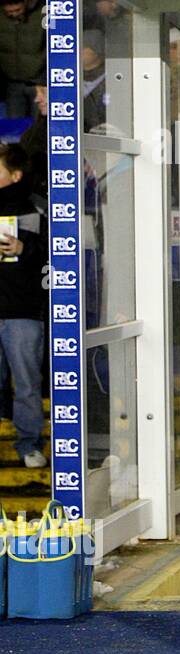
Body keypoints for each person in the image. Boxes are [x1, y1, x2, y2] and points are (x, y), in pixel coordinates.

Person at [0, 144, 47, 468]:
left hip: (23, 313)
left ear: (15, 175)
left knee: (27, 382)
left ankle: (29, 443)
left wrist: (24, 246)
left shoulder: (37, 208)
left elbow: (56, 252)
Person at [0, 0, 44, 120]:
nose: (13, 15)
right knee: (14, 128)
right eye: (9, 12)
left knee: (38, 128)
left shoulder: (43, 13)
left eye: (17, 10)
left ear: (26, 2)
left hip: (39, 82)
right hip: (12, 83)